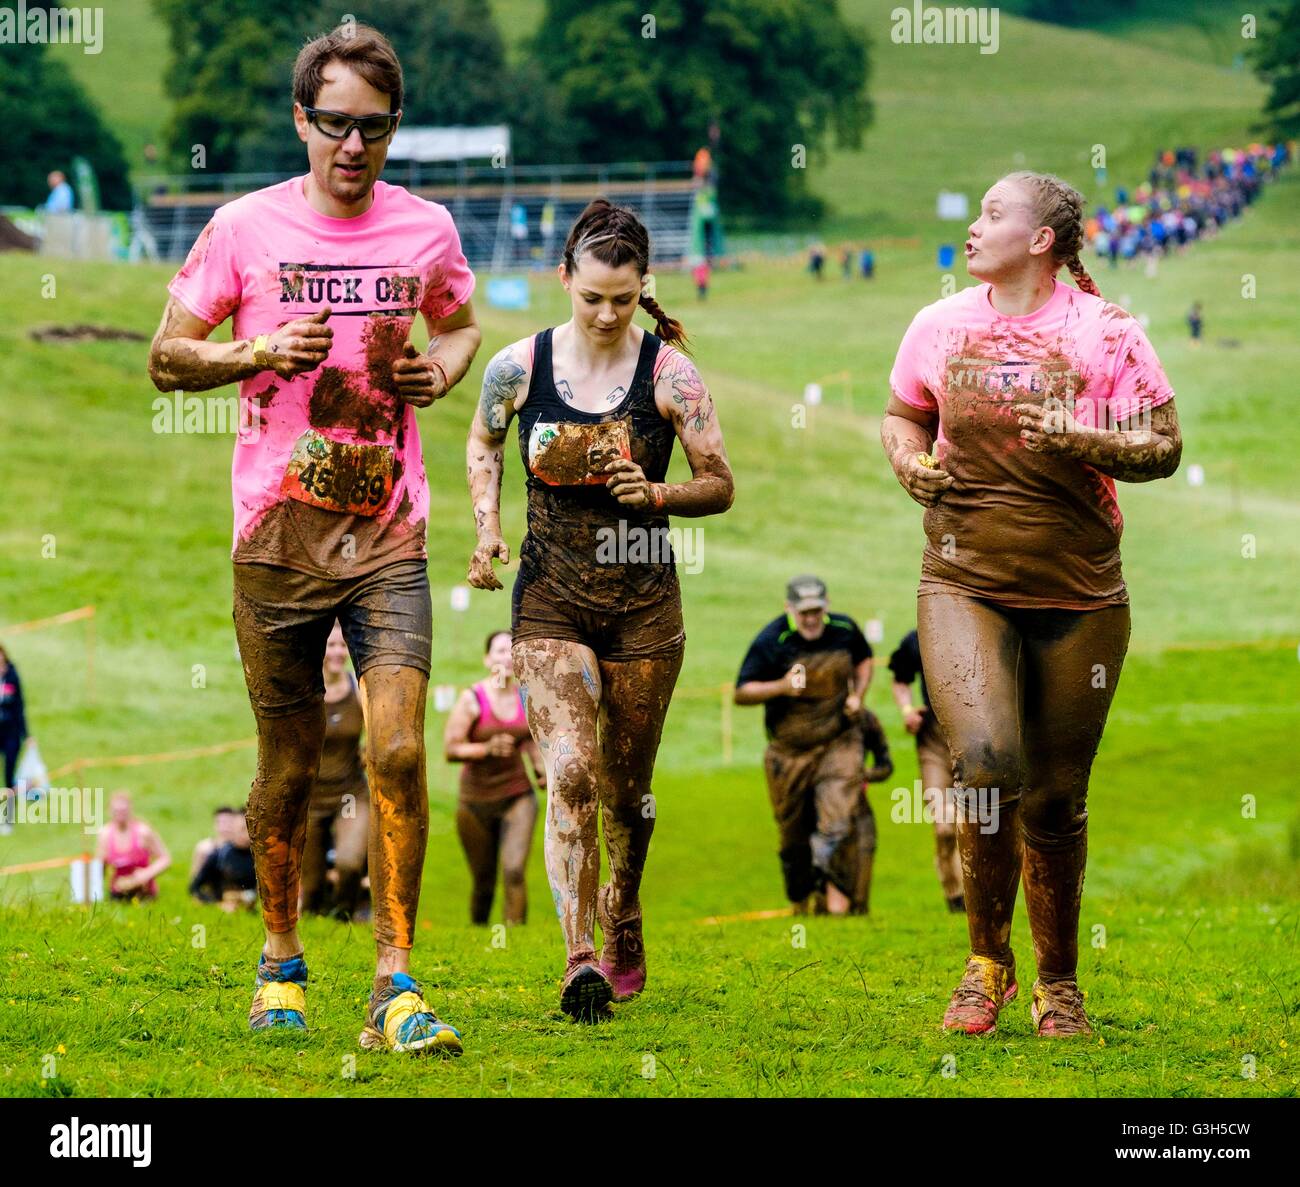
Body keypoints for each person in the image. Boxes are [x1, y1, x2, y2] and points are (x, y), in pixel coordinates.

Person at [146, 23, 481, 1055]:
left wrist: (444, 367)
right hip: (276, 538)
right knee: (288, 763)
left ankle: (395, 979)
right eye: (334, 123)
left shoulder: (425, 228)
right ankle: (281, 959)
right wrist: (252, 351)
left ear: (393, 130)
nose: (353, 146)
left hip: (389, 528)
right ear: (301, 118)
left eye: (374, 128)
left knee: (394, 745)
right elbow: (166, 357)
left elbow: (461, 322)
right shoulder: (243, 228)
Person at [880, 171, 1181, 1038]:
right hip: (963, 578)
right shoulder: (939, 325)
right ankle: (985, 964)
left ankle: (1059, 981)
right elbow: (903, 418)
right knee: (982, 764)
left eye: (992, 214)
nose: (973, 227)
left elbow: (1164, 445)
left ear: (1042, 239)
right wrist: (907, 462)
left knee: (1055, 796)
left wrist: (1080, 436)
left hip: (1080, 591)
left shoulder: (1106, 331)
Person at [465, 197, 734, 1020]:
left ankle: (624, 906)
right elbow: (483, 439)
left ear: (642, 286)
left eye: (623, 298)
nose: (608, 313)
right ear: (565, 281)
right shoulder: (519, 366)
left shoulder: (670, 374)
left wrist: (656, 492)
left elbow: (720, 483)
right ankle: (579, 956)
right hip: (549, 601)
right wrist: (486, 529)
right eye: (592, 298)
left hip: (645, 611)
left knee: (627, 791)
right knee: (572, 773)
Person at [734, 576, 876, 916]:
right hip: (789, 752)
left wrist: (858, 695)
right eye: (804, 612)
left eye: (816, 611)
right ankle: (802, 901)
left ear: (826, 606)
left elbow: (864, 660)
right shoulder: (772, 640)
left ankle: (839, 903)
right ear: (789, 609)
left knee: (836, 823)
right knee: (793, 835)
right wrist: (781, 686)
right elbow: (742, 692)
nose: (811, 619)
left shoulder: (844, 629)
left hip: (838, 742)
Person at [444, 629, 544, 926]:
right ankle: (478, 936)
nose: (508, 657)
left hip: (517, 796)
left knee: (513, 870)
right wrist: (486, 749)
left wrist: (542, 772)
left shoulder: (527, 698)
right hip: (475, 802)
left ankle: (515, 941)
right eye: (501, 651)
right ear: (488, 659)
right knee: (484, 880)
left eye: (513, 651)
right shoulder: (472, 699)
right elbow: (451, 749)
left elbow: (530, 741)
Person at [888, 628, 964, 912]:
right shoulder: (917, 639)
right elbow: (900, 679)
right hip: (933, 741)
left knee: (978, 823)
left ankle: (976, 896)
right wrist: (907, 709)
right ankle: (954, 894)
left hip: (976, 738)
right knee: (945, 826)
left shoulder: (982, 629)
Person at [300, 622, 370, 922]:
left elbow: (377, 732)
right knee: (312, 885)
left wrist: (370, 752)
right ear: (319, 648)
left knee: (349, 864)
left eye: (343, 646)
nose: (339, 652)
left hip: (350, 794)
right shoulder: (305, 690)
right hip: (310, 798)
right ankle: (316, 933)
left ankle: (344, 921)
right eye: (331, 645)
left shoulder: (359, 690)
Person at [97, 792, 171, 902]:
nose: (120, 814)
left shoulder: (143, 832)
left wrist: (146, 874)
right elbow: (100, 865)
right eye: (116, 811)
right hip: (118, 893)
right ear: (109, 811)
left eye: (123, 811)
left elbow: (165, 858)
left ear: (130, 810)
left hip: (144, 894)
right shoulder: (105, 834)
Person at [190, 807, 258, 911]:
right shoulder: (219, 854)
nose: (244, 834)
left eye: (247, 829)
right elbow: (195, 888)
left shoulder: (259, 858)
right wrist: (218, 904)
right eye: (241, 829)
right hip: (224, 907)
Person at [0, 643, 30, 831]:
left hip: (10, 733)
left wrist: (26, 734)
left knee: (9, 775)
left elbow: (20, 706)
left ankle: (7, 818)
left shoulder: (12, 675)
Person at [190, 805, 239, 882]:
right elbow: (195, 877)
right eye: (222, 822)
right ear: (215, 825)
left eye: (230, 822)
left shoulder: (244, 848)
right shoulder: (204, 848)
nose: (225, 827)